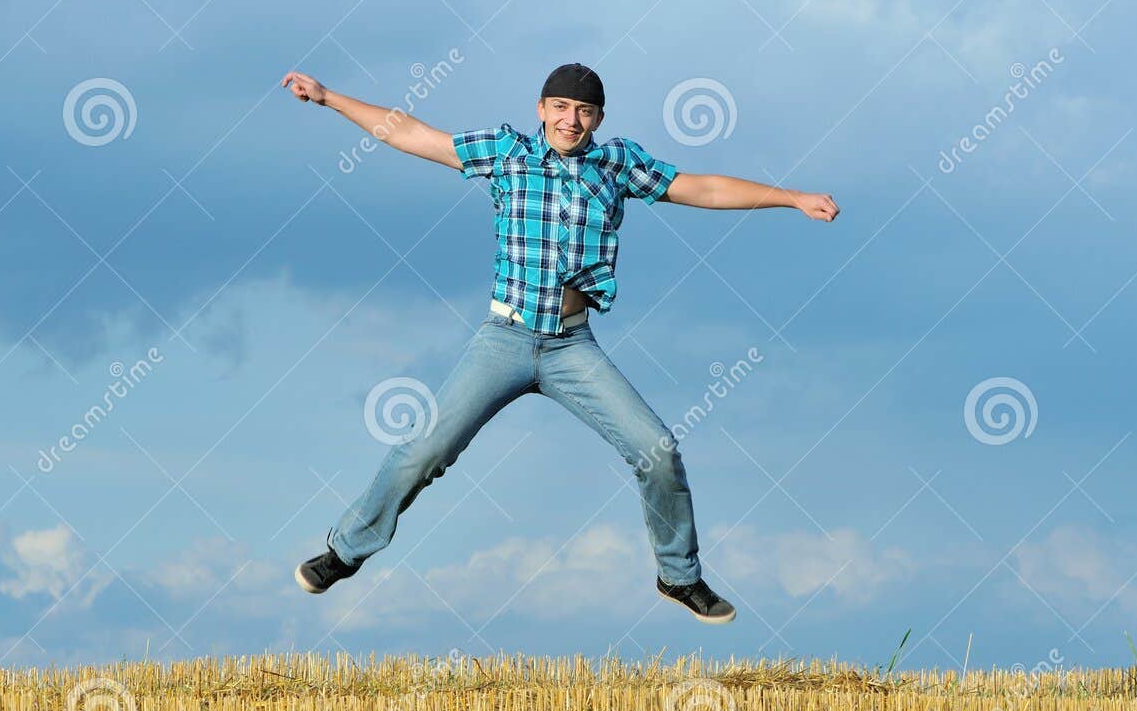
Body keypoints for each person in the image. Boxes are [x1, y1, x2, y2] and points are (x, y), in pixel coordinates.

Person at [284, 62, 839, 623]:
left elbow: (703, 187)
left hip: (572, 347)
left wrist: (790, 197)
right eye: (561, 108)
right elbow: (412, 133)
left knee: (659, 449)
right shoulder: (507, 153)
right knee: (426, 450)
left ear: (598, 118)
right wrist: (329, 98)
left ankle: (679, 576)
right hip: (504, 337)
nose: (571, 120)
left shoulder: (616, 164)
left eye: (584, 111)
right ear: (541, 108)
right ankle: (344, 551)